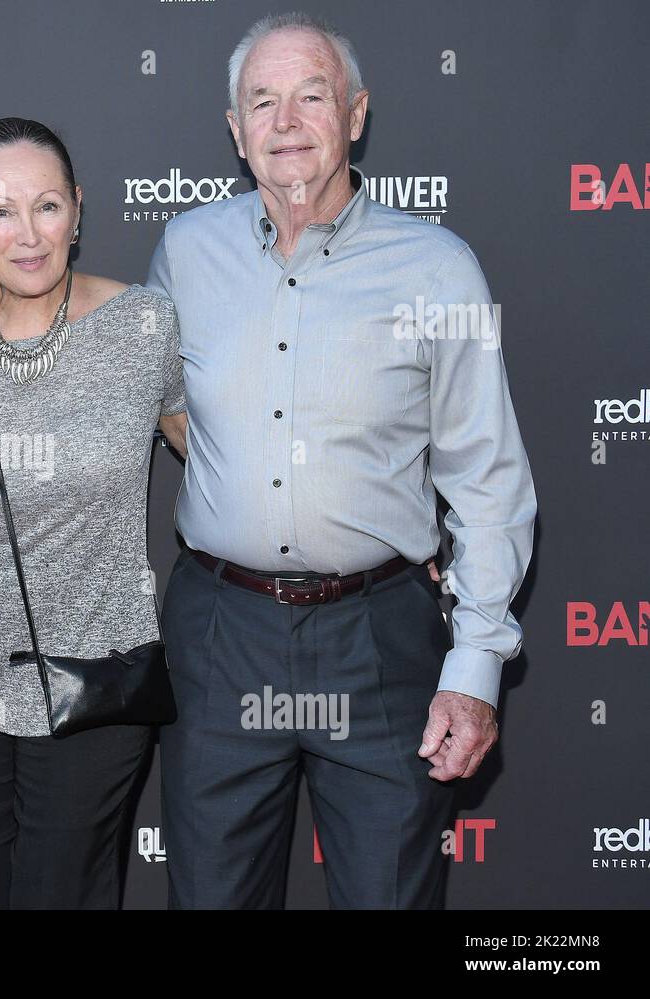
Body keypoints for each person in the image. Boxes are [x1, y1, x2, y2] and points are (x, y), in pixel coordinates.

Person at [147, 12, 536, 908]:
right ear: (235, 130)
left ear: (355, 115)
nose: (287, 122)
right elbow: (168, 402)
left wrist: (475, 666)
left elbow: (489, 478)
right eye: (263, 101)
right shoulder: (186, 250)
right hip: (220, 634)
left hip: (378, 636)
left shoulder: (440, 268)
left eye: (311, 96)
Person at [0, 117, 188, 908]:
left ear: (78, 209)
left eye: (47, 206)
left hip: (97, 680)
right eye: (0, 211)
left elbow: (206, 453)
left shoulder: (143, 326)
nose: (28, 234)